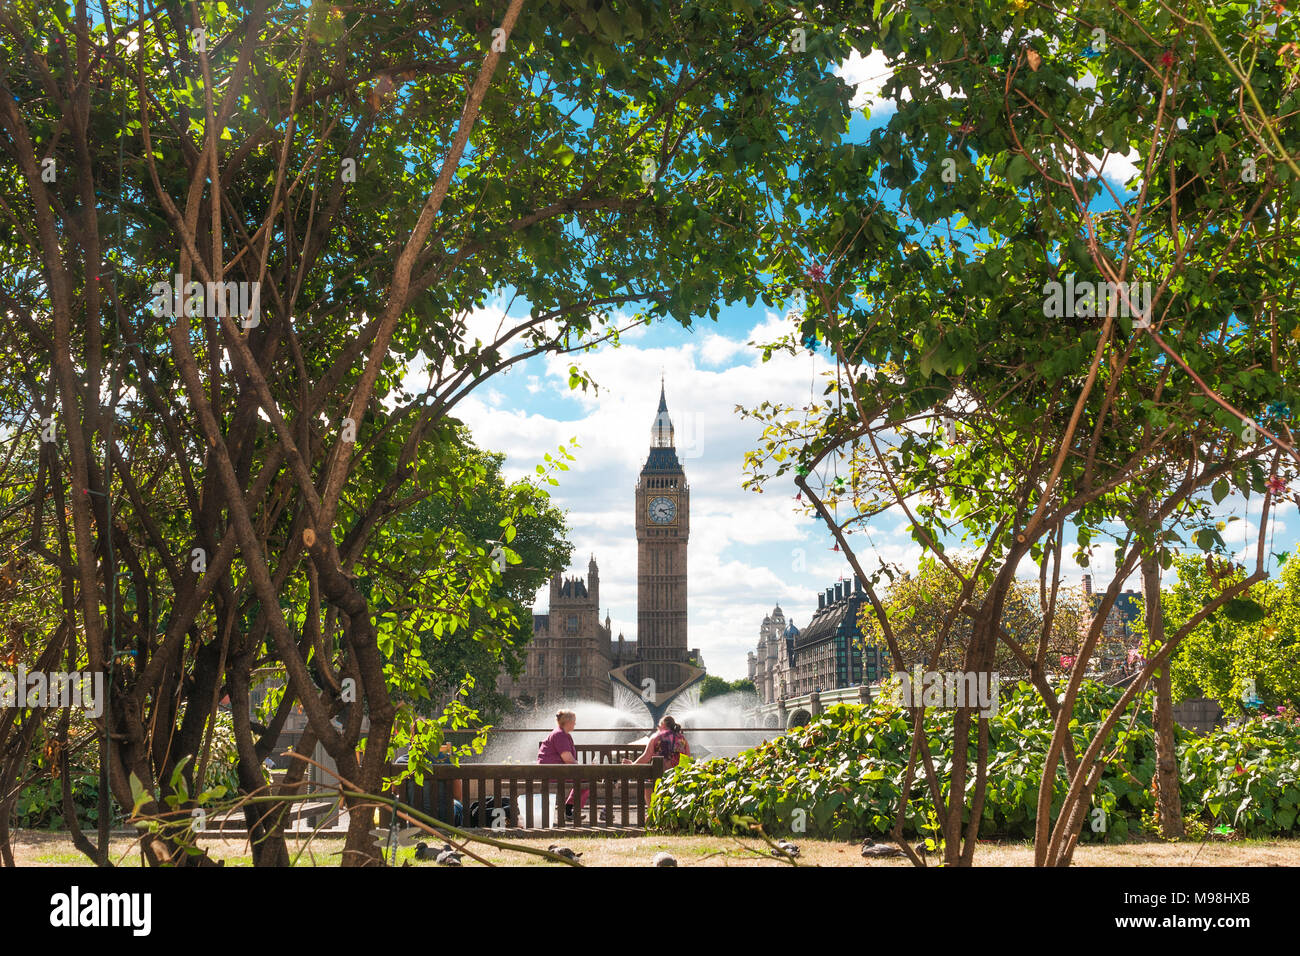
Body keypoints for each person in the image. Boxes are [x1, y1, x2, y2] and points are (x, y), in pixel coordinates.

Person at [624, 716, 690, 806]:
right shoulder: (682, 739)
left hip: (659, 777)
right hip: (677, 777)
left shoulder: (656, 737)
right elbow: (688, 759)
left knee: (647, 784)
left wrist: (633, 765)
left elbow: (646, 757)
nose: (657, 728)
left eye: (658, 725)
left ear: (663, 725)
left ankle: (652, 811)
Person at [538, 709, 588, 818]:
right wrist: (584, 767)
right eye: (574, 721)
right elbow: (568, 759)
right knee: (588, 778)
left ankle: (569, 809)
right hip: (554, 772)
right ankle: (569, 809)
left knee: (587, 777)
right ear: (568, 722)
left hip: (555, 770)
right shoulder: (560, 735)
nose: (575, 723)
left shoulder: (561, 734)